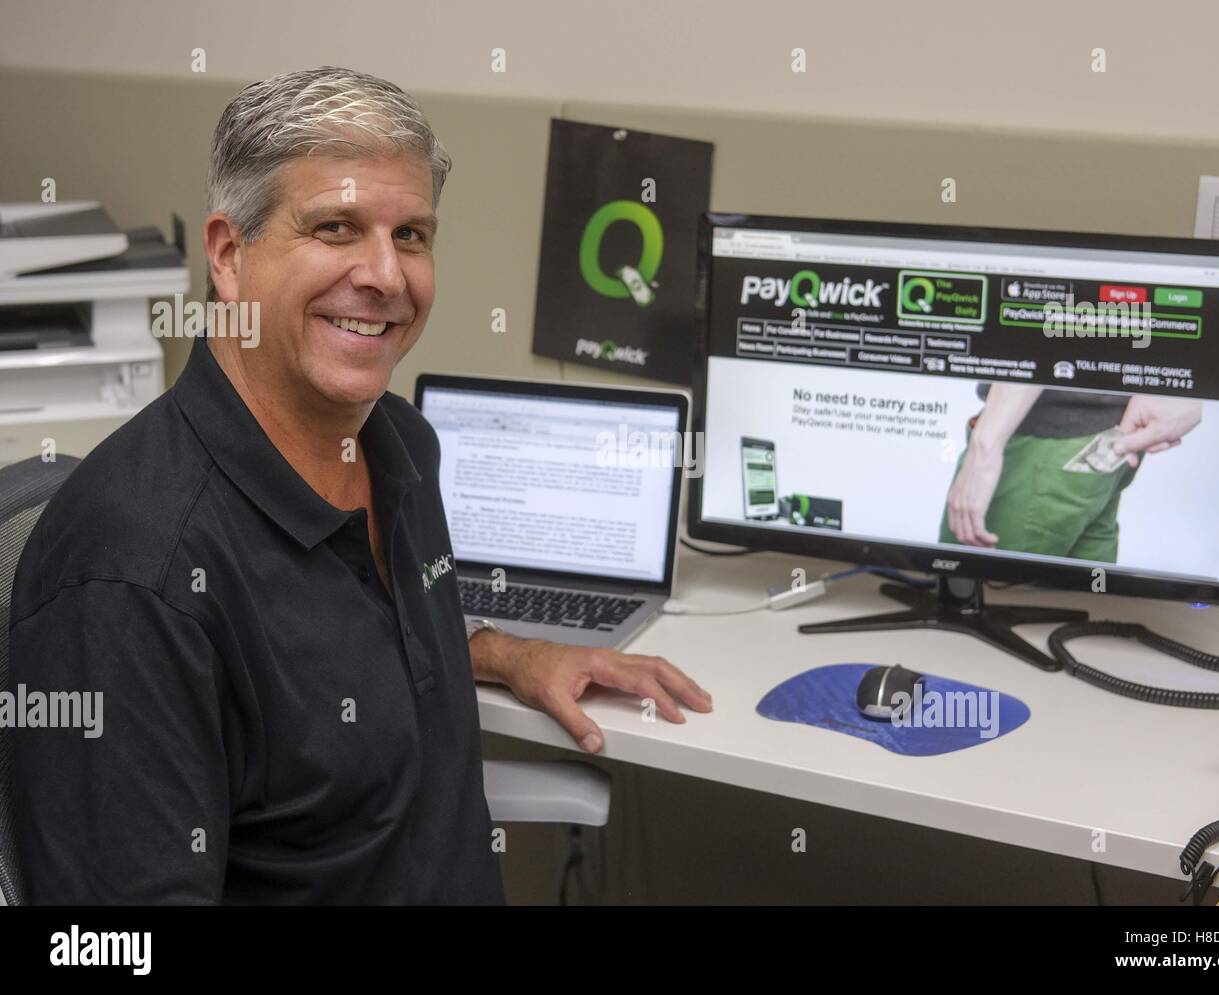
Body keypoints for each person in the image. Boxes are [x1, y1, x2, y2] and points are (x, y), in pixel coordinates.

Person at [9, 67, 711, 904]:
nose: (386, 275)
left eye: (411, 235)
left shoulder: (397, 446)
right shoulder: (134, 575)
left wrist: (506, 651)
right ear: (231, 256)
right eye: (337, 228)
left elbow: (336, 633)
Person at [939, 382, 1202, 561]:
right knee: (1079, 609)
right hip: (1111, 437)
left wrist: (984, 449)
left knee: (979, 601)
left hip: (1041, 445)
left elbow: (1041, 314)